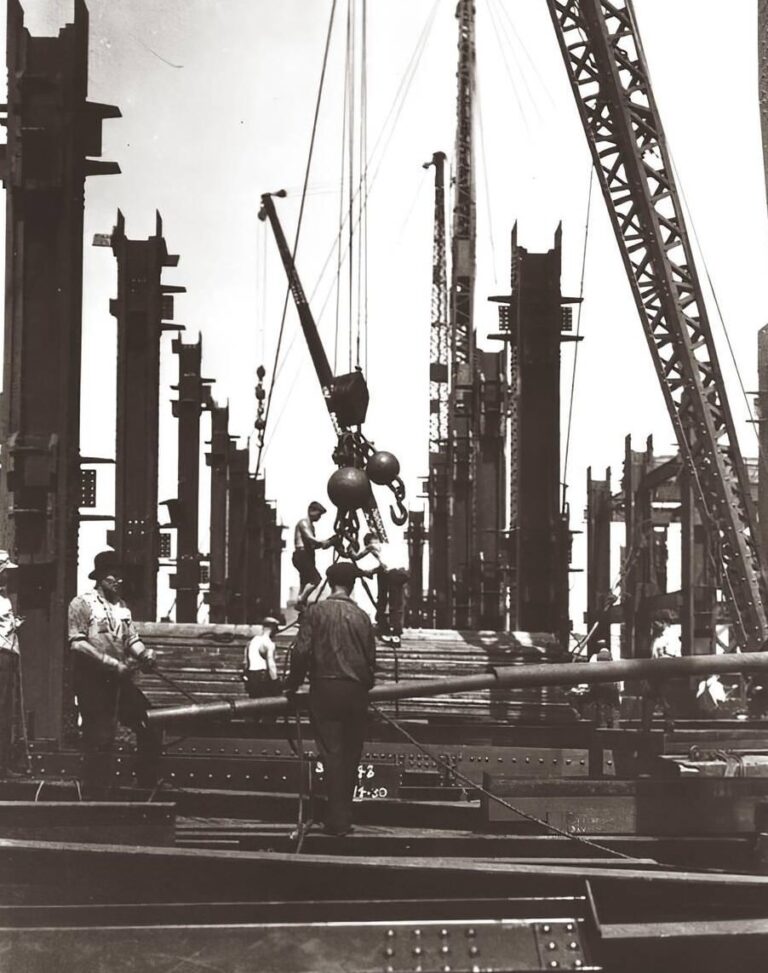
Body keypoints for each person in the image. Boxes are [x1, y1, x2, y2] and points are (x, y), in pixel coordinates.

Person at [284, 561, 376, 836]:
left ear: (330, 582)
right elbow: (371, 661)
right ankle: (342, 816)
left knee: (332, 753)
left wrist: (292, 684)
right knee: (351, 754)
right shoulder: (362, 617)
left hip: (324, 689)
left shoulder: (315, 612)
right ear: (353, 584)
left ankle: (336, 821)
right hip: (355, 692)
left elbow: (300, 653)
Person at [68, 550, 161, 796]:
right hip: (92, 681)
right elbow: (77, 643)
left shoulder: (122, 607)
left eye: (121, 575)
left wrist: (145, 654)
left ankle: (146, 786)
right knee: (99, 736)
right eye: (113, 575)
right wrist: (110, 663)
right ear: (100, 577)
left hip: (118, 679)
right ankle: (94, 794)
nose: (119, 580)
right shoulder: (81, 603)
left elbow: (132, 639)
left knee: (150, 722)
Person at [351, 532, 409, 646]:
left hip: (393, 574)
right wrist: (371, 572)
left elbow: (356, 557)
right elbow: (385, 566)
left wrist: (350, 550)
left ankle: (388, 630)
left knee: (389, 602)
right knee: (396, 604)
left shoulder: (371, 546)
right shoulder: (386, 548)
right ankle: (395, 632)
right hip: (402, 573)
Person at [0, 552, 25, 778]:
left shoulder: (4, 597)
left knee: (6, 710)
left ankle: (3, 762)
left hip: (7, 654)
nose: (7, 575)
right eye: (5, 571)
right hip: (0, 655)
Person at [293, 501, 336, 610]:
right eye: (319, 514)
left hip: (308, 554)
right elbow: (310, 538)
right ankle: (301, 600)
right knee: (316, 579)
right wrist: (323, 542)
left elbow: (313, 545)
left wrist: (328, 543)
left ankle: (301, 603)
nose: (319, 517)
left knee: (305, 581)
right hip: (302, 555)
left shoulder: (312, 526)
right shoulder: (303, 523)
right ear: (311, 511)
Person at [640, 617, 675, 732]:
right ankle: (646, 727)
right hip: (654, 673)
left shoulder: (669, 638)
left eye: (657, 621)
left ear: (664, 623)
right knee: (650, 698)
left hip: (664, 673)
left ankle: (669, 724)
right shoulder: (655, 639)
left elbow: (671, 656)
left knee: (664, 699)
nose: (654, 624)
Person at [242, 615, 281, 699]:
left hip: (252, 678)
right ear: (273, 629)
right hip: (263, 679)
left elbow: (245, 663)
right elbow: (271, 666)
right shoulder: (268, 644)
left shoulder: (252, 642)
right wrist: (276, 683)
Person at [590, 646, 621, 729]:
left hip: (600, 686)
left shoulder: (595, 658)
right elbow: (617, 677)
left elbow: (591, 675)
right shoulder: (612, 660)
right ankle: (615, 726)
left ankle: (602, 726)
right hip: (611, 687)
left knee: (601, 708)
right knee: (614, 708)